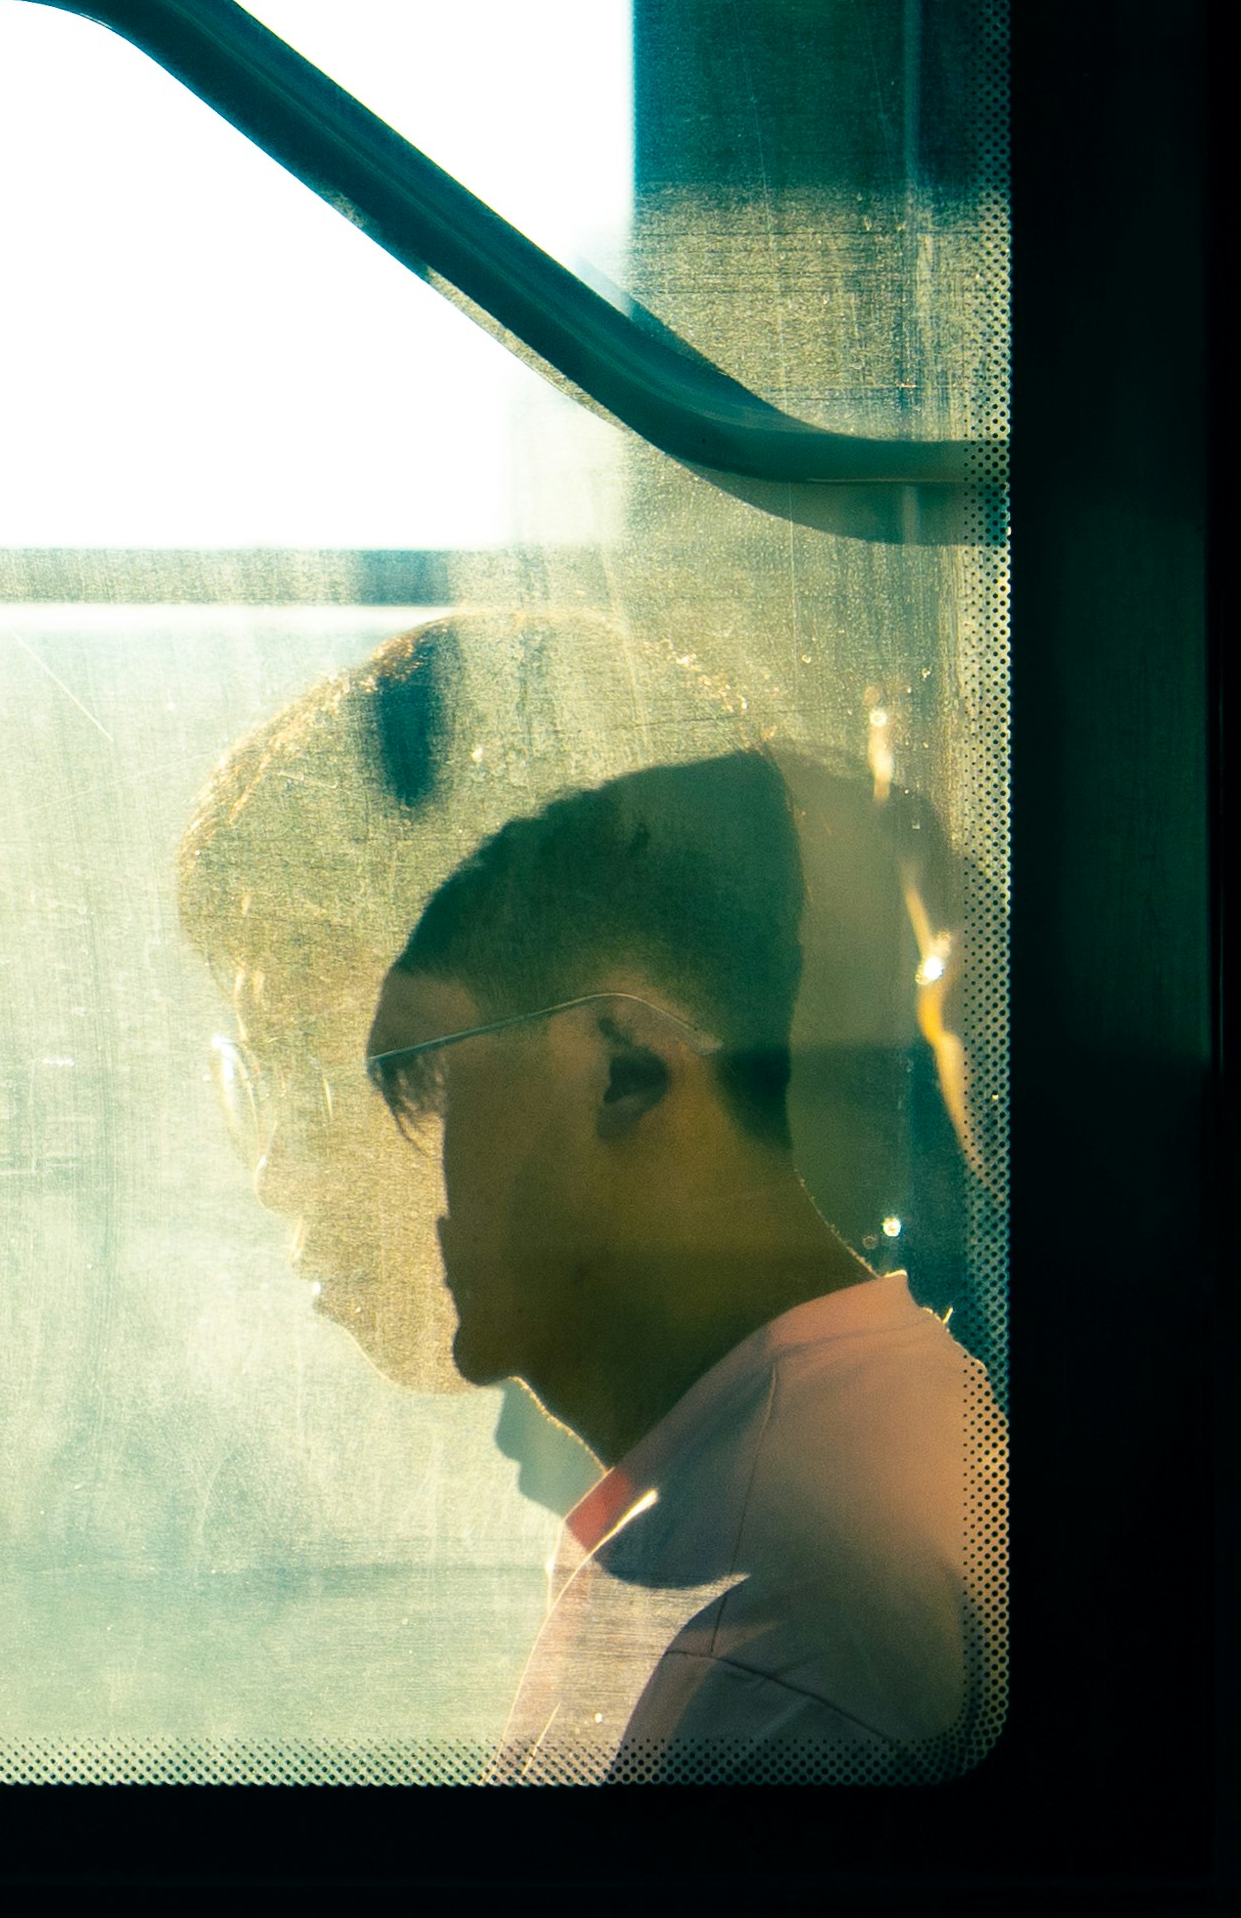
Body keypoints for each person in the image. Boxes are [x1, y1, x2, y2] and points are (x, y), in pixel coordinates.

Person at [175, 613, 975, 1514]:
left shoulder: (823, 1535)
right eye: (251, 1082)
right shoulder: (700, 1466)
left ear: (619, 1066)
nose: (279, 1173)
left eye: (328, 1076)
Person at [367, 755, 1006, 1784]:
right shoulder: (753, 1483)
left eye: (448, 1088)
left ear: (628, 1072)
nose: (425, 1190)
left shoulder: (778, 1629)